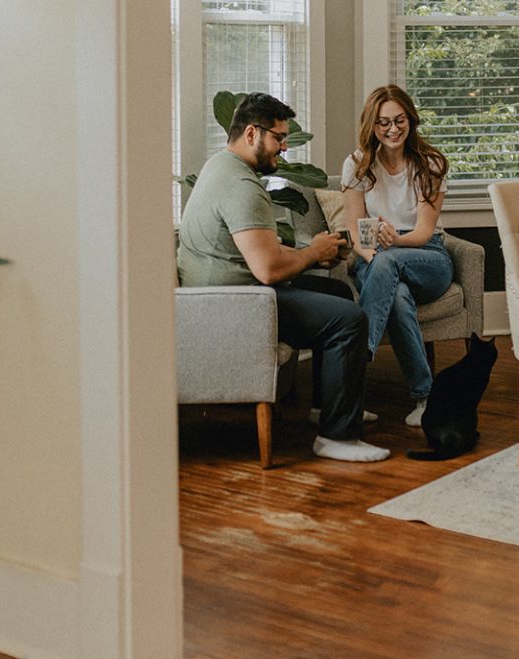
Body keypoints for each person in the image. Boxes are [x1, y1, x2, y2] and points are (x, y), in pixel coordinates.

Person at [178, 92, 389, 464]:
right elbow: (268, 269)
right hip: (235, 304)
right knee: (349, 320)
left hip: (228, 291)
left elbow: (260, 253)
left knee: (338, 291)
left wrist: (315, 257)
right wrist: (311, 253)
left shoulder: (220, 166)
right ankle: (336, 437)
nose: (284, 147)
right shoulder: (242, 187)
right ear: (250, 134)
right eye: (278, 137)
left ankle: (327, 409)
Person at [341, 84, 453, 427]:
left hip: (425, 256)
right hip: (374, 253)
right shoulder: (357, 164)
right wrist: (375, 249)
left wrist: (393, 244)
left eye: (399, 120)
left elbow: (422, 232)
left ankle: (356, 366)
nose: (392, 129)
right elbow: (355, 234)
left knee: (389, 266)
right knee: (398, 296)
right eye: (383, 122)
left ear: (411, 120)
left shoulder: (429, 163)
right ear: (372, 126)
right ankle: (425, 397)